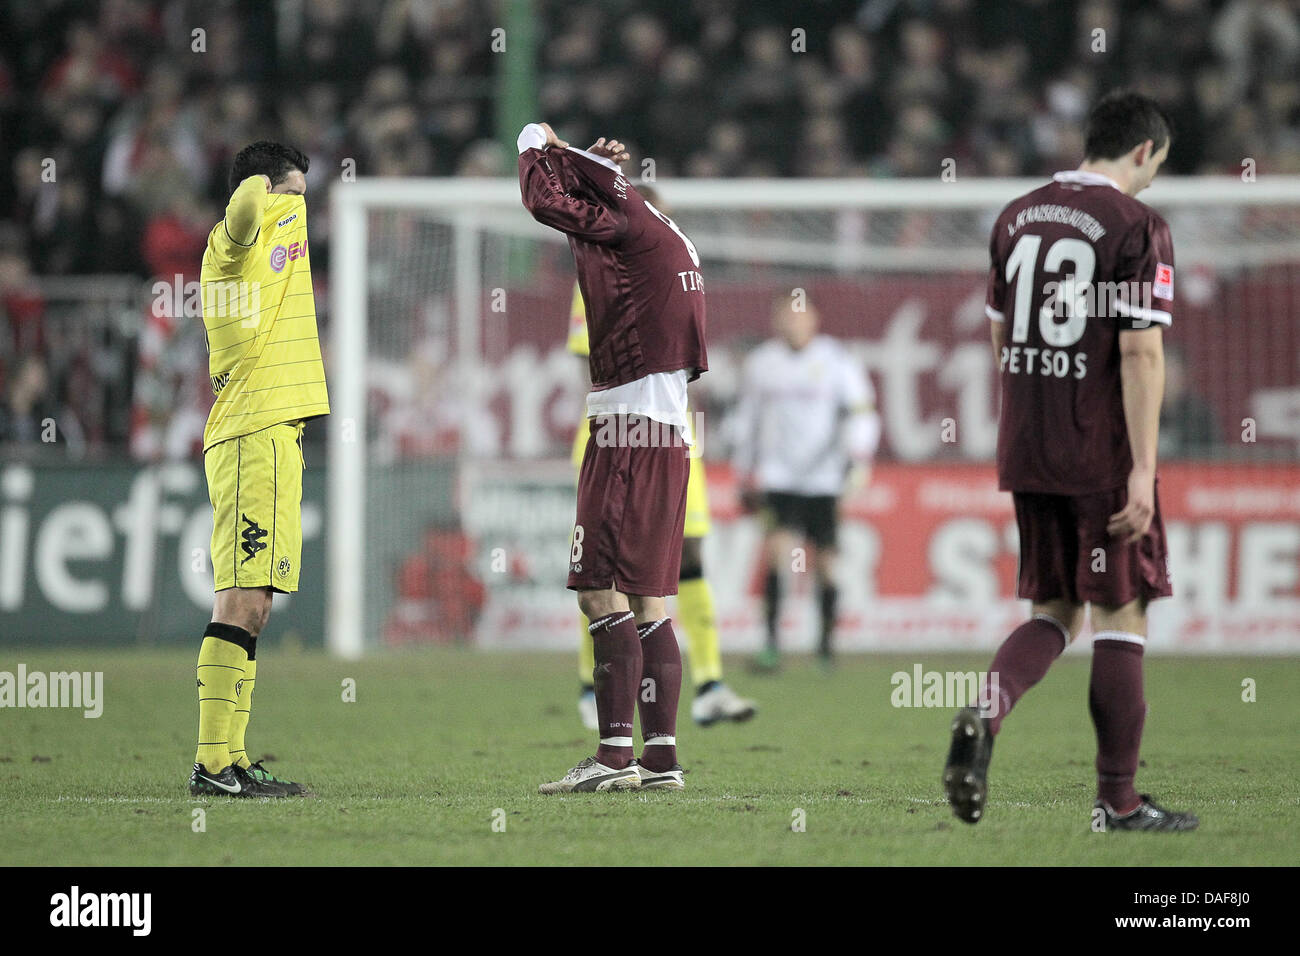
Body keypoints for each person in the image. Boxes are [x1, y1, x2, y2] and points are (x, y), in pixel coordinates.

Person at [944, 91, 1198, 831]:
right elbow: (1141, 348)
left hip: (1028, 440)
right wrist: (1143, 469)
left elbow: (999, 338)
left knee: (1056, 607)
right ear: (1145, 151)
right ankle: (1118, 801)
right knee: (1122, 609)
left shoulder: (1017, 214)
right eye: (1157, 166)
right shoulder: (1136, 225)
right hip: (1100, 449)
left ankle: (983, 716)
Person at [519, 122, 705, 793]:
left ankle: (612, 757)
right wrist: (586, 163)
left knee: (598, 587)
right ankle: (660, 760)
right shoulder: (668, 235)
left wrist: (534, 144)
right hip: (666, 432)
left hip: (626, 430)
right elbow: (585, 212)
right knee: (651, 599)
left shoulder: (628, 224)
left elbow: (547, 202)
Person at [566, 187, 756, 731]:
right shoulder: (605, 271)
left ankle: (709, 684)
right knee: (608, 581)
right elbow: (596, 362)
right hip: (622, 431)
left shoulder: (667, 261)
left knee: (669, 568)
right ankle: (593, 689)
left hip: (657, 435)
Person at [189, 142, 329, 798]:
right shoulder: (230, 243)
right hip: (250, 435)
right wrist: (266, 194)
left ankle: (231, 759)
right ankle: (213, 765)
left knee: (256, 605)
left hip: (275, 437)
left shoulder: (276, 247)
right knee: (240, 599)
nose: (299, 211)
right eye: (290, 193)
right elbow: (245, 206)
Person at [731, 298, 880, 670]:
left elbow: (862, 411)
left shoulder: (836, 360)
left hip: (823, 478)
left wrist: (859, 459)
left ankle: (826, 647)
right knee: (777, 554)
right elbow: (748, 419)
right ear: (776, 321)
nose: (793, 323)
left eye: (799, 316)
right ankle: (771, 645)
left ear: (814, 319)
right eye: (786, 316)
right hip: (778, 476)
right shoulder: (763, 363)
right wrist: (743, 469)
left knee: (826, 562)